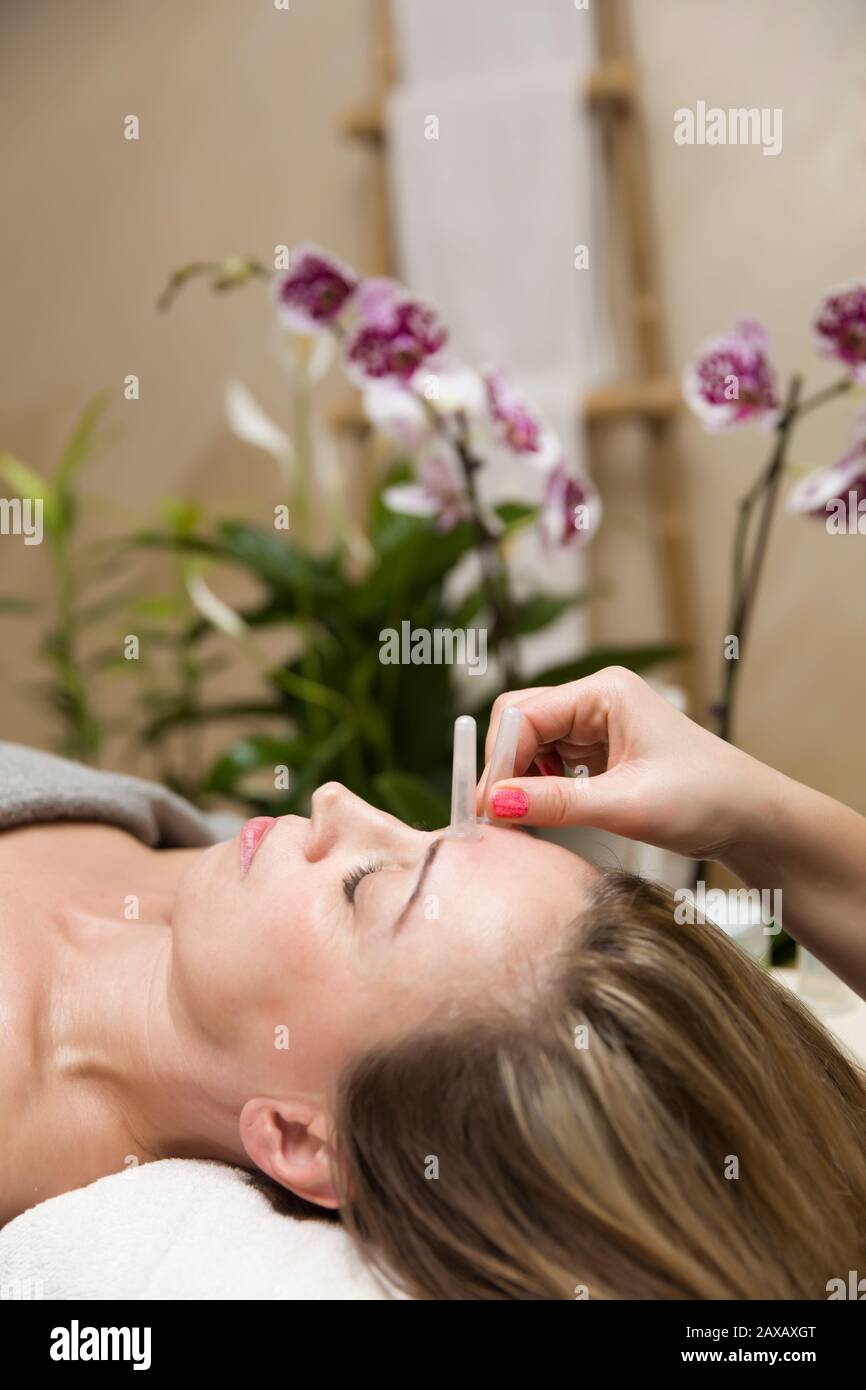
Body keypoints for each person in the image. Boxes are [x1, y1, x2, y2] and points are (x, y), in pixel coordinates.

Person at [1, 667, 865, 1299]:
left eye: (362, 887)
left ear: (306, 1143)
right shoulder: (224, 901)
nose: (338, 801)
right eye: (422, 832)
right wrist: (756, 817)